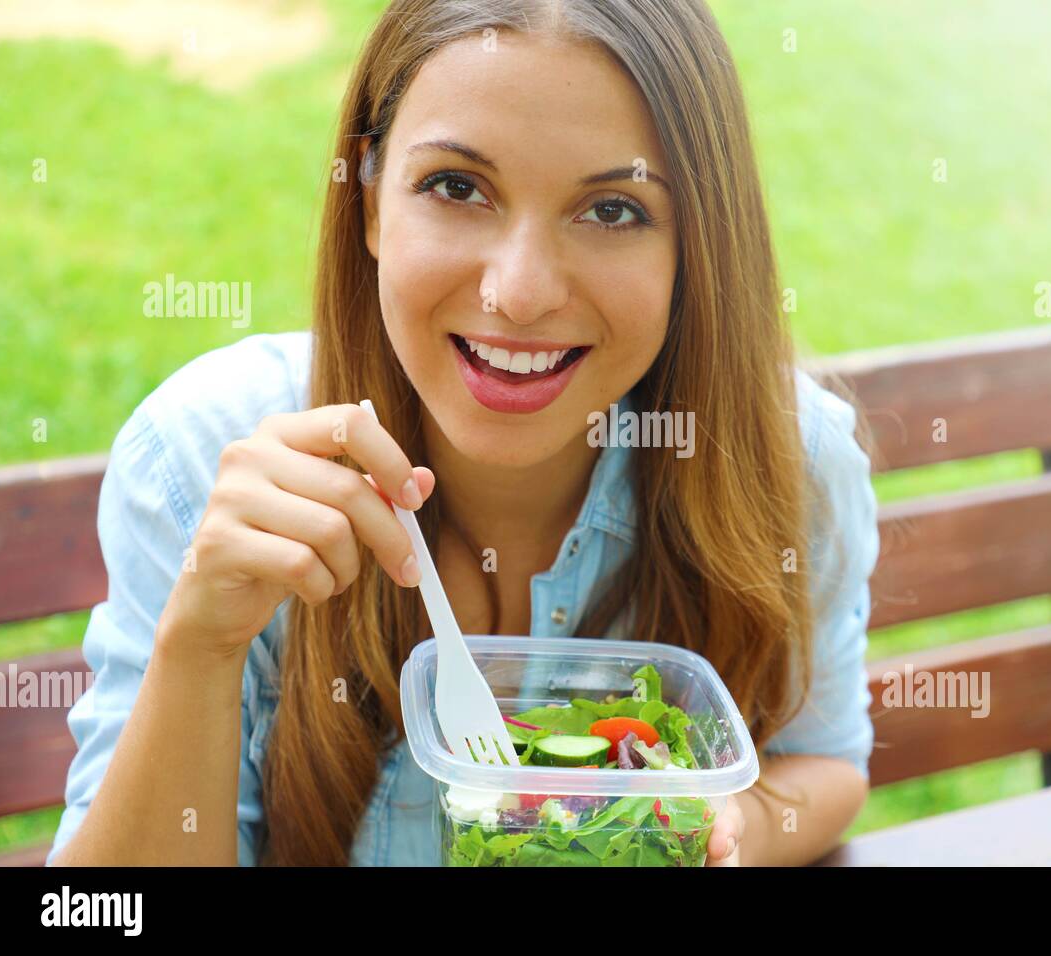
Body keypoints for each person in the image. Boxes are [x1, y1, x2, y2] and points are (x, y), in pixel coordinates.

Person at [49, 0, 879, 867]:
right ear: (370, 202)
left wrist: (723, 827)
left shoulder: (787, 461)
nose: (519, 294)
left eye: (612, 210)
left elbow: (824, 764)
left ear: (697, 244)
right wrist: (202, 645)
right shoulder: (198, 458)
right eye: (456, 187)